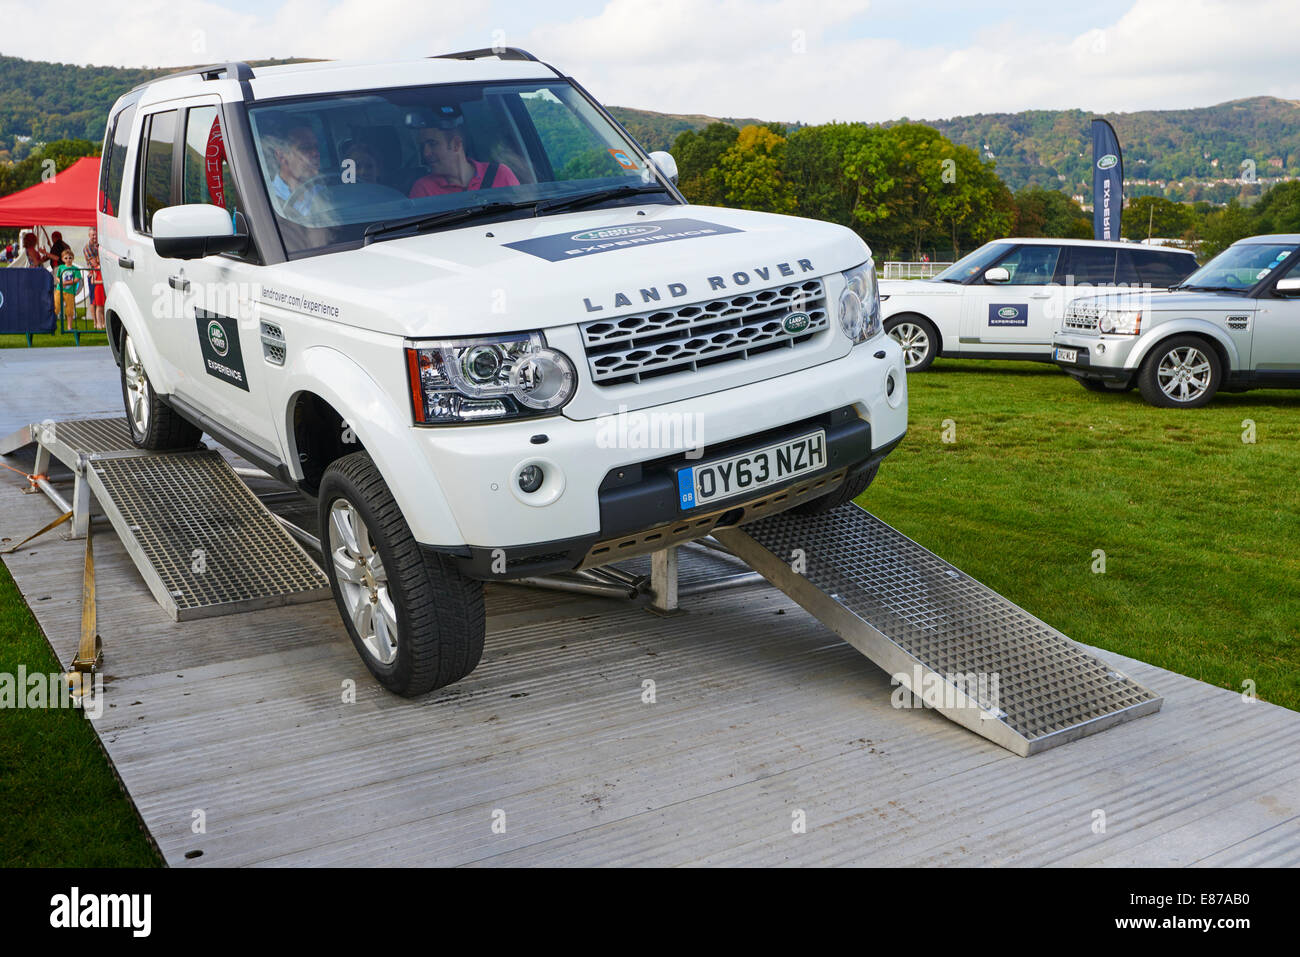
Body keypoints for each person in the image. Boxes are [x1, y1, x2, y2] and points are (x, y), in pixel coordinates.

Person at [408, 107, 519, 198]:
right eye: (423, 146)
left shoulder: (500, 174)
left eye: (432, 144)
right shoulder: (423, 189)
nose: (425, 153)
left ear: (456, 144)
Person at [265, 122, 325, 215]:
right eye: (305, 148)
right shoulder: (266, 198)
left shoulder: (326, 191)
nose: (315, 153)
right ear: (281, 156)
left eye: (316, 147)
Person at [53, 248, 81, 330]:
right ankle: (52, 325)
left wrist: (66, 283)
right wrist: (60, 282)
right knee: (56, 306)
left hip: (70, 291)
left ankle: (69, 326)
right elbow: (57, 277)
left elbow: (77, 279)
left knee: (69, 309)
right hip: (60, 290)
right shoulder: (61, 267)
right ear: (62, 259)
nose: (68, 260)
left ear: (73, 258)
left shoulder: (75, 269)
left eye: (70, 258)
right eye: (66, 258)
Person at [84, 226, 105, 330]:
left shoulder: (99, 245)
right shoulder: (87, 247)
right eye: (92, 235)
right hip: (94, 275)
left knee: (102, 302)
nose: (94, 237)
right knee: (94, 301)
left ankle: (103, 322)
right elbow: (95, 263)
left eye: (96, 234)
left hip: (101, 274)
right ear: (89, 235)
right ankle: (95, 322)